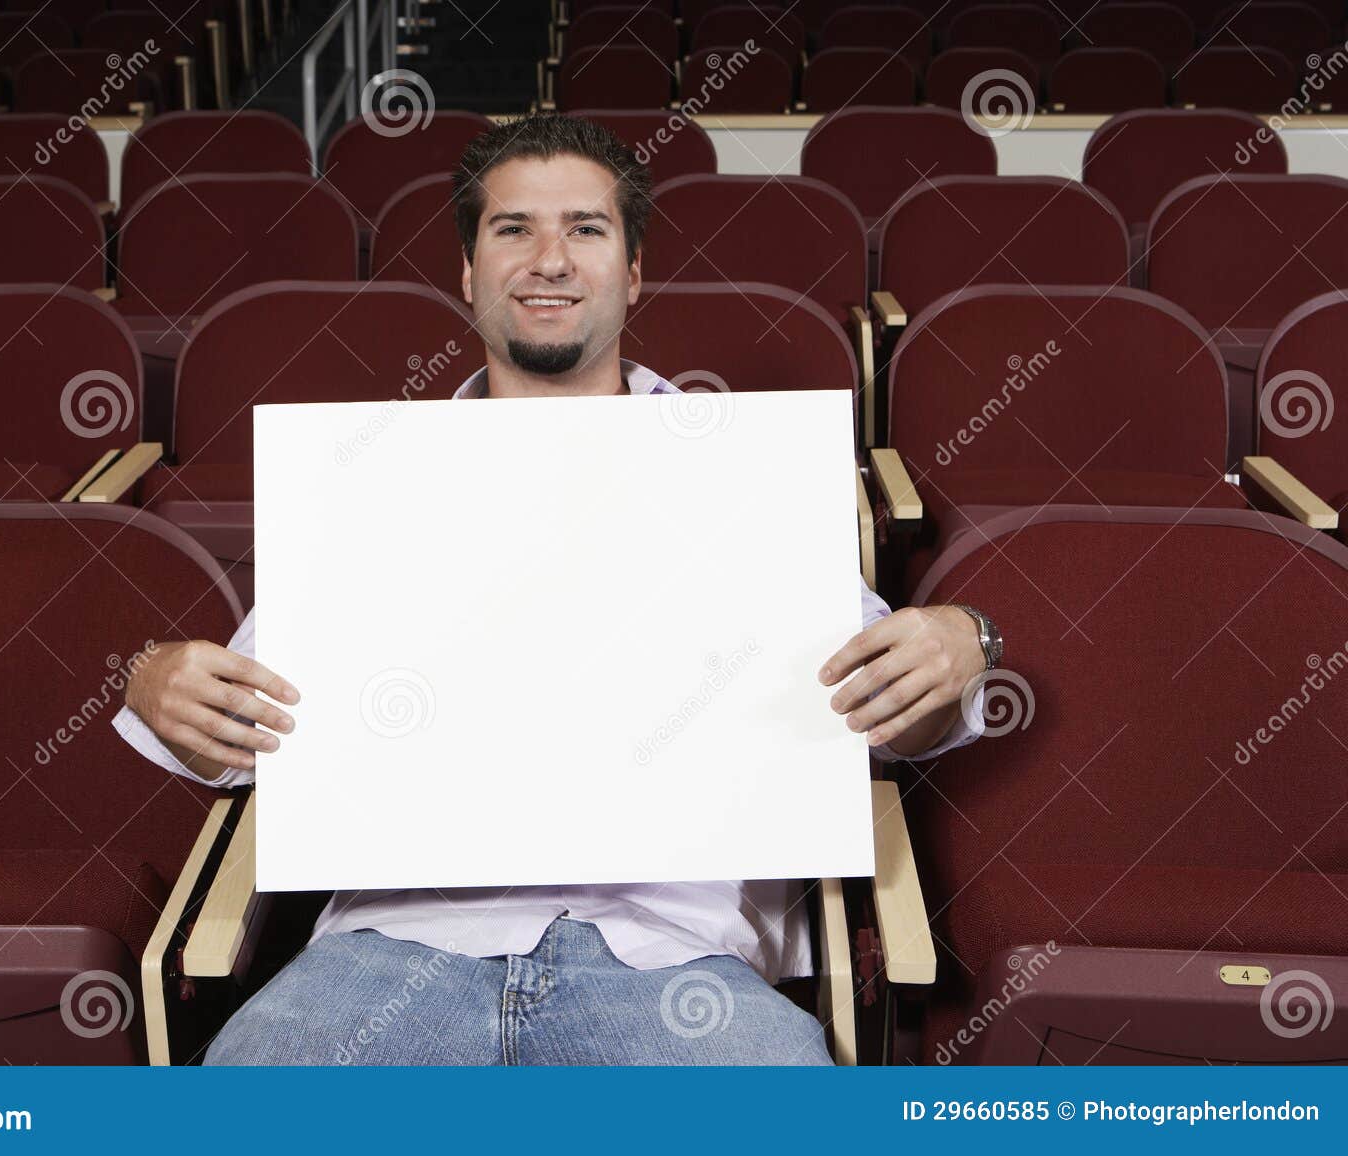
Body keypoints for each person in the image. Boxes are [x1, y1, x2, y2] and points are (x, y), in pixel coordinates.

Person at [114, 114, 997, 1065]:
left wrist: (958, 643)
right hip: (387, 957)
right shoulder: (374, 479)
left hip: (670, 965)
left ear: (633, 269)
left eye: (585, 228)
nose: (550, 259)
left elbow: (885, 709)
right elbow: (242, 736)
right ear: (467, 273)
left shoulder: (734, 473)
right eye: (512, 229)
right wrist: (154, 679)